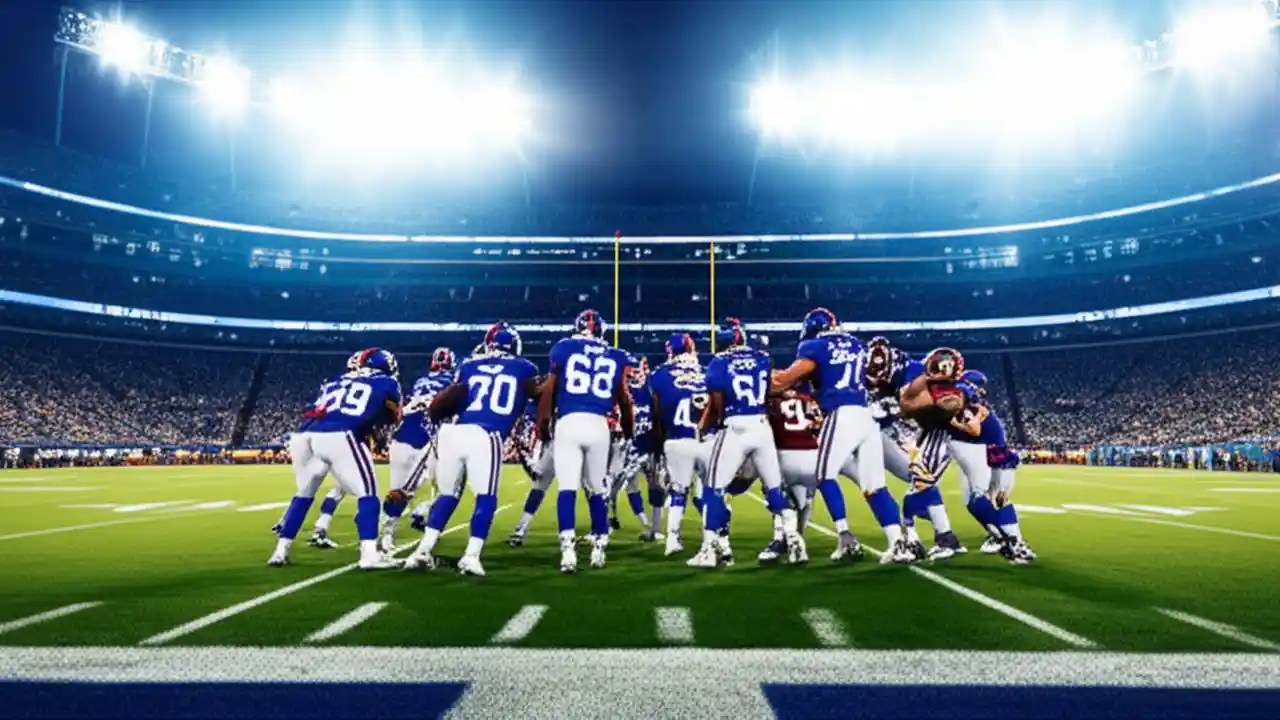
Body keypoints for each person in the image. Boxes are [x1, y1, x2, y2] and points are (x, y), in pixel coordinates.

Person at [771, 308, 913, 564]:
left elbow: (783, 380)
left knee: (824, 475)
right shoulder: (855, 344)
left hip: (841, 414)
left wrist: (758, 375)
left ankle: (844, 535)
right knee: (874, 487)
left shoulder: (815, 346)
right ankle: (898, 543)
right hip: (865, 416)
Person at [404, 326, 539, 576]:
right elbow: (536, 396)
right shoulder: (525, 367)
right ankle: (471, 555)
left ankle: (422, 551)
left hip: (454, 433)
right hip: (487, 434)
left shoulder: (468, 365)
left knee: (447, 495)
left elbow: (452, 398)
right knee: (486, 497)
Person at [269, 348, 402, 570]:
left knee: (303, 495)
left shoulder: (336, 379)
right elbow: (394, 417)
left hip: (305, 436)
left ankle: (280, 551)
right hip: (341, 434)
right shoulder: (387, 381)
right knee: (368, 494)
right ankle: (369, 555)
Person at [690, 318, 802, 569]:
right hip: (762, 426)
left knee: (713, 489)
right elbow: (769, 389)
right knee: (774, 488)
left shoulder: (719, 362)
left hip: (736, 425)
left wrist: (706, 430)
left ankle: (709, 549)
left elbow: (717, 406)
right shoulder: (762, 358)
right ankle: (794, 540)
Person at [537, 309, 634, 572]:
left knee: (567, 488)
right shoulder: (615, 355)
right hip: (599, 424)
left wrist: (542, 423)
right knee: (597, 488)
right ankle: (599, 547)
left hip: (569, 421)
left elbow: (550, 388)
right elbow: (624, 399)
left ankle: (568, 552)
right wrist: (629, 430)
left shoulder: (565, 347)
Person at [379, 347, 457, 552]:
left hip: (401, 434)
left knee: (399, 490)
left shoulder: (421, 381)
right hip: (426, 437)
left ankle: (388, 532)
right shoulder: (453, 381)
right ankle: (421, 512)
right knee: (446, 489)